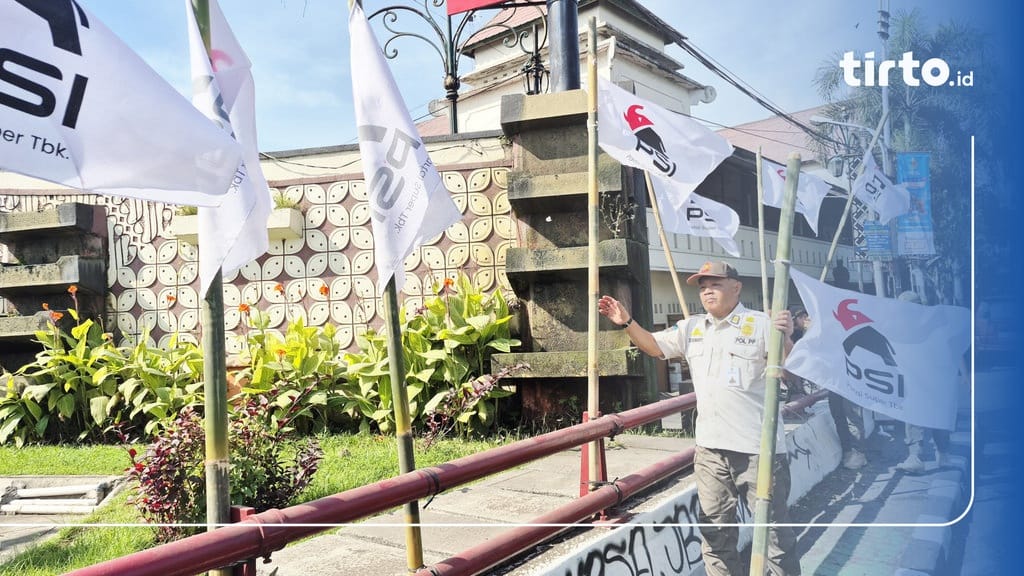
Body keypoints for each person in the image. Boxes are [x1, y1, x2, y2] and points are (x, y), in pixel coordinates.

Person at [598, 261, 800, 576]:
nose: (707, 290)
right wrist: (626, 322)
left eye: (715, 283)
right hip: (710, 451)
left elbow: (791, 373)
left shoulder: (762, 324)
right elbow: (653, 346)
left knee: (772, 533)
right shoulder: (691, 328)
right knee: (715, 533)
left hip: (759, 451)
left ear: (736, 287)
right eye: (702, 285)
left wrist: (786, 340)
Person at [792, 307, 867, 470]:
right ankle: (848, 451)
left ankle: (859, 452)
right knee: (839, 415)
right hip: (833, 381)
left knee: (851, 416)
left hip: (849, 380)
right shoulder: (814, 332)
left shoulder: (833, 330)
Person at [894, 290, 951, 473]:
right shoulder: (911, 326)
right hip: (923, 377)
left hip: (928, 377)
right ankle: (926, 455)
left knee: (926, 416)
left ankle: (930, 453)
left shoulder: (925, 326)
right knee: (923, 415)